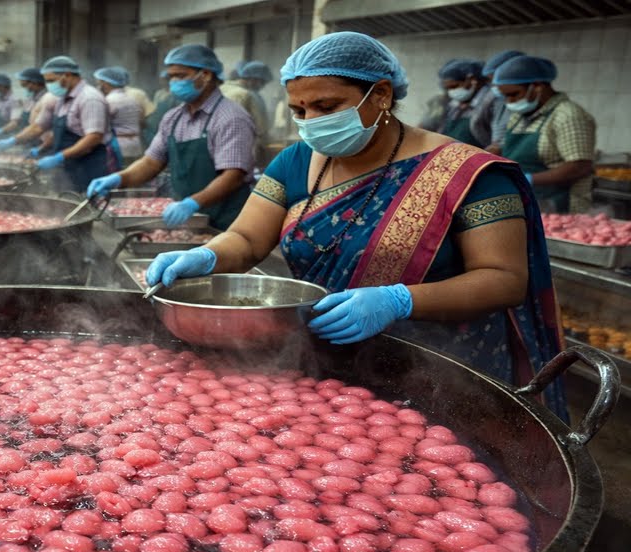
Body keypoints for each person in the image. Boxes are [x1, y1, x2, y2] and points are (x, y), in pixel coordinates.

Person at [144, 32, 566, 418]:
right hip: (322, 360)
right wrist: (207, 255)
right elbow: (248, 237)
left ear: (380, 94)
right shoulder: (295, 162)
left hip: (439, 369)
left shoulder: (470, 174)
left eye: (326, 107)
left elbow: (504, 279)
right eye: (299, 109)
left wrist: (398, 301)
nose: (310, 120)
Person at [87, 44, 255, 230]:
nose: (173, 82)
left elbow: (233, 176)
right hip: (188, 222)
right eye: (171, 77)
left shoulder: (230, 117)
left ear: (206, 75)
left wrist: (191, 203)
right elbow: (151, 163)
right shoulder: (174, 118)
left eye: (181, 76)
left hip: (226, 223)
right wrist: (118, 179)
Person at [494, 55, 595, 213]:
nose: (509, 101)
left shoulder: (568, 115)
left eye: (514, 94)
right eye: (505, 96)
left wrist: (529, 179)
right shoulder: (519, 116)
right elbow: (511, 148)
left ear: (537, 86)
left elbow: (580, 166)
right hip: (525, 200)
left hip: (558, 206)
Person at [19, 56, 113, 192]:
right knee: (64, 202)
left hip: (86, 166)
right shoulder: (63, 98)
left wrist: (59, 157)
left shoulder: (90, 98)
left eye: (51, 80)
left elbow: (93, 137)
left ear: (67, 75)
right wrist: (41, 149)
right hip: (68, 166)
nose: (48, 85)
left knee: (85, 205)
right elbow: (56, 131)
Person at [474, 50, 523, 153]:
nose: (494, 86)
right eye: (491, 81)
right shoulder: (497, 100)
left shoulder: (524, 104)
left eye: (496, 81)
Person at [95, 66, 145, 165]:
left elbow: (102, 126)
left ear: (106, 83)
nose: (98, 85)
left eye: (99, 82)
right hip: (135, 145)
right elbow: (142, 121)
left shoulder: (109, 101)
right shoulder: (132, 99)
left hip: (118, 146)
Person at [436, 58, 488, 147]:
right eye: (448, 89)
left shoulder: (488, 101)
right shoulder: (454, 106)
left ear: (471, 79)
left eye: (454, 86)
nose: (452, 92)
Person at [221, 62, 270, 146]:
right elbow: (260, 127)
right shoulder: (246, 94)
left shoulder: (221, 88)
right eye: (262, 82)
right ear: (254, 80)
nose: (262, 87)